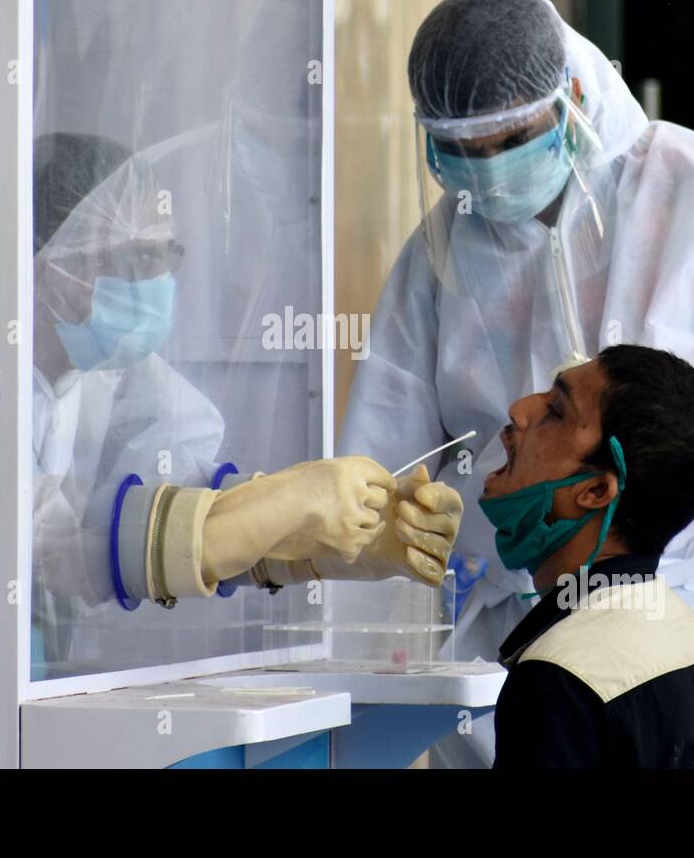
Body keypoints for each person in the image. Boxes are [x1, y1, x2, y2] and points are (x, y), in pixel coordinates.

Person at [339, 0, 694, 768]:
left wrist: (652, 485)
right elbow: (389, 458)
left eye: (509, 142)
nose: (487, 175)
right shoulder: (440, 252)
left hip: (693, 612)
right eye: (460, 153)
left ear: (572, 99)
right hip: (514, 630)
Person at [30, 133, 461, 674]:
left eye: (168, 255)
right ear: (51, 264)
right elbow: (55, 559)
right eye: (139, 256)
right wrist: (287, 503)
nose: (161, 279)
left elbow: (178, 505)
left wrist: (337, 542)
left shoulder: (115, 377)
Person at [486, 345, 694, 768]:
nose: (520, 410)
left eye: (556, 410)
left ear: (596, 491)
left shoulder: (559, 677)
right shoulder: (690, 637)